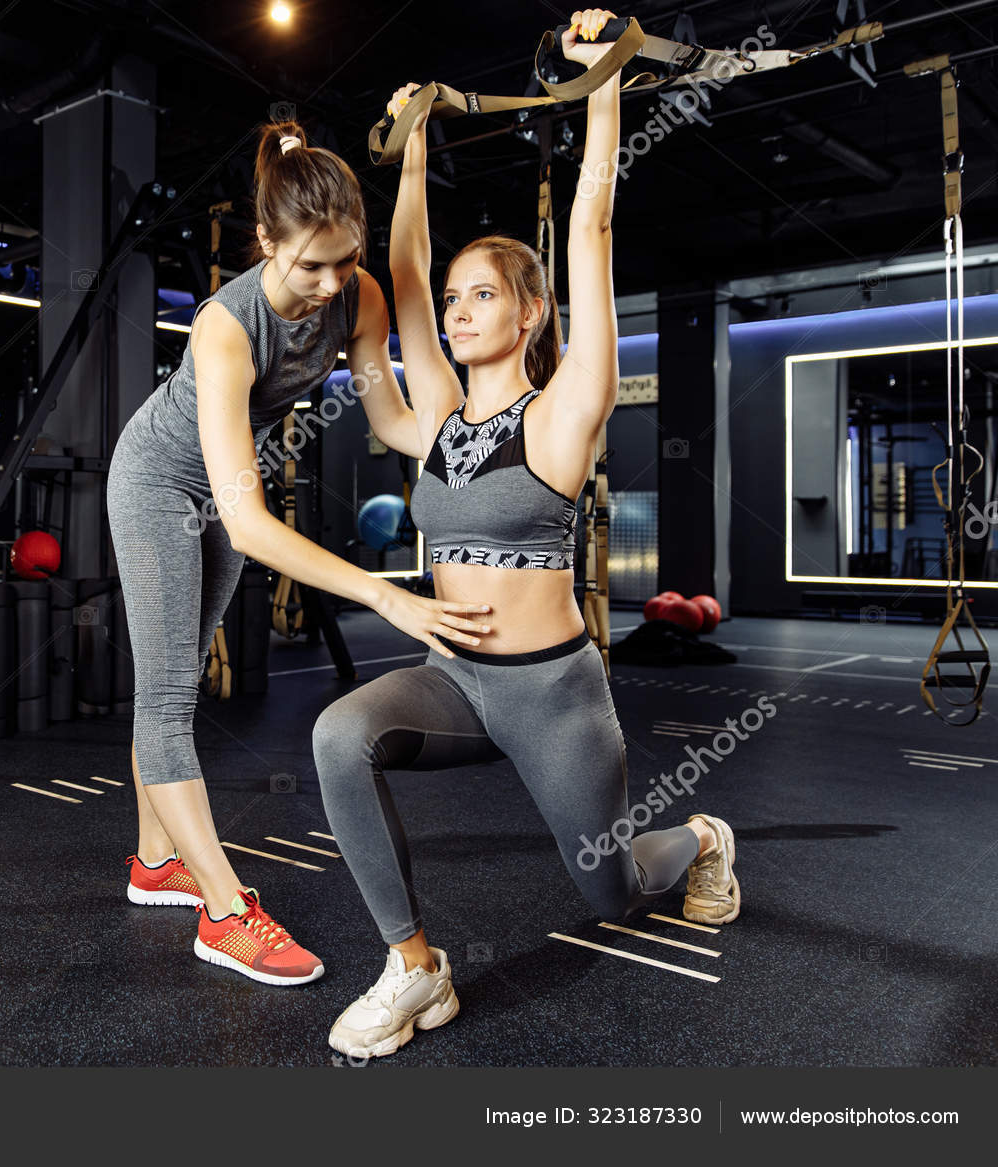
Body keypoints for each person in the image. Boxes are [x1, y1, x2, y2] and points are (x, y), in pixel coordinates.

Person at [314, 9, 741, 1054]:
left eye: (482, 296)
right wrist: (413, 141)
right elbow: (404, 275)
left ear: (529, 312)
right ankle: (414, 968)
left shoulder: (562, 415)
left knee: (605, 891)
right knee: (336, 735)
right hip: (449, 678)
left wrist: (604, 73)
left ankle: (697, 840)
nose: (456, 312)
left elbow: (590, 216)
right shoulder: (429, 424)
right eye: (453, 300)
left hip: (552, 695)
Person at [107, 119, 491, 986]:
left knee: (173, 679)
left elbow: (390, 414)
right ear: (266, 242)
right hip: (159, 483)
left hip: (223, 488)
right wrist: (387, 595)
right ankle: (223, 909)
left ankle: (152, 860)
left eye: (344, 261)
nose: (327, 284)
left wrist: (464, 440)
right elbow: (249, 525)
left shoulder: (360, 295)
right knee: (168, 696)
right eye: (306, 265)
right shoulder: (225, 328)